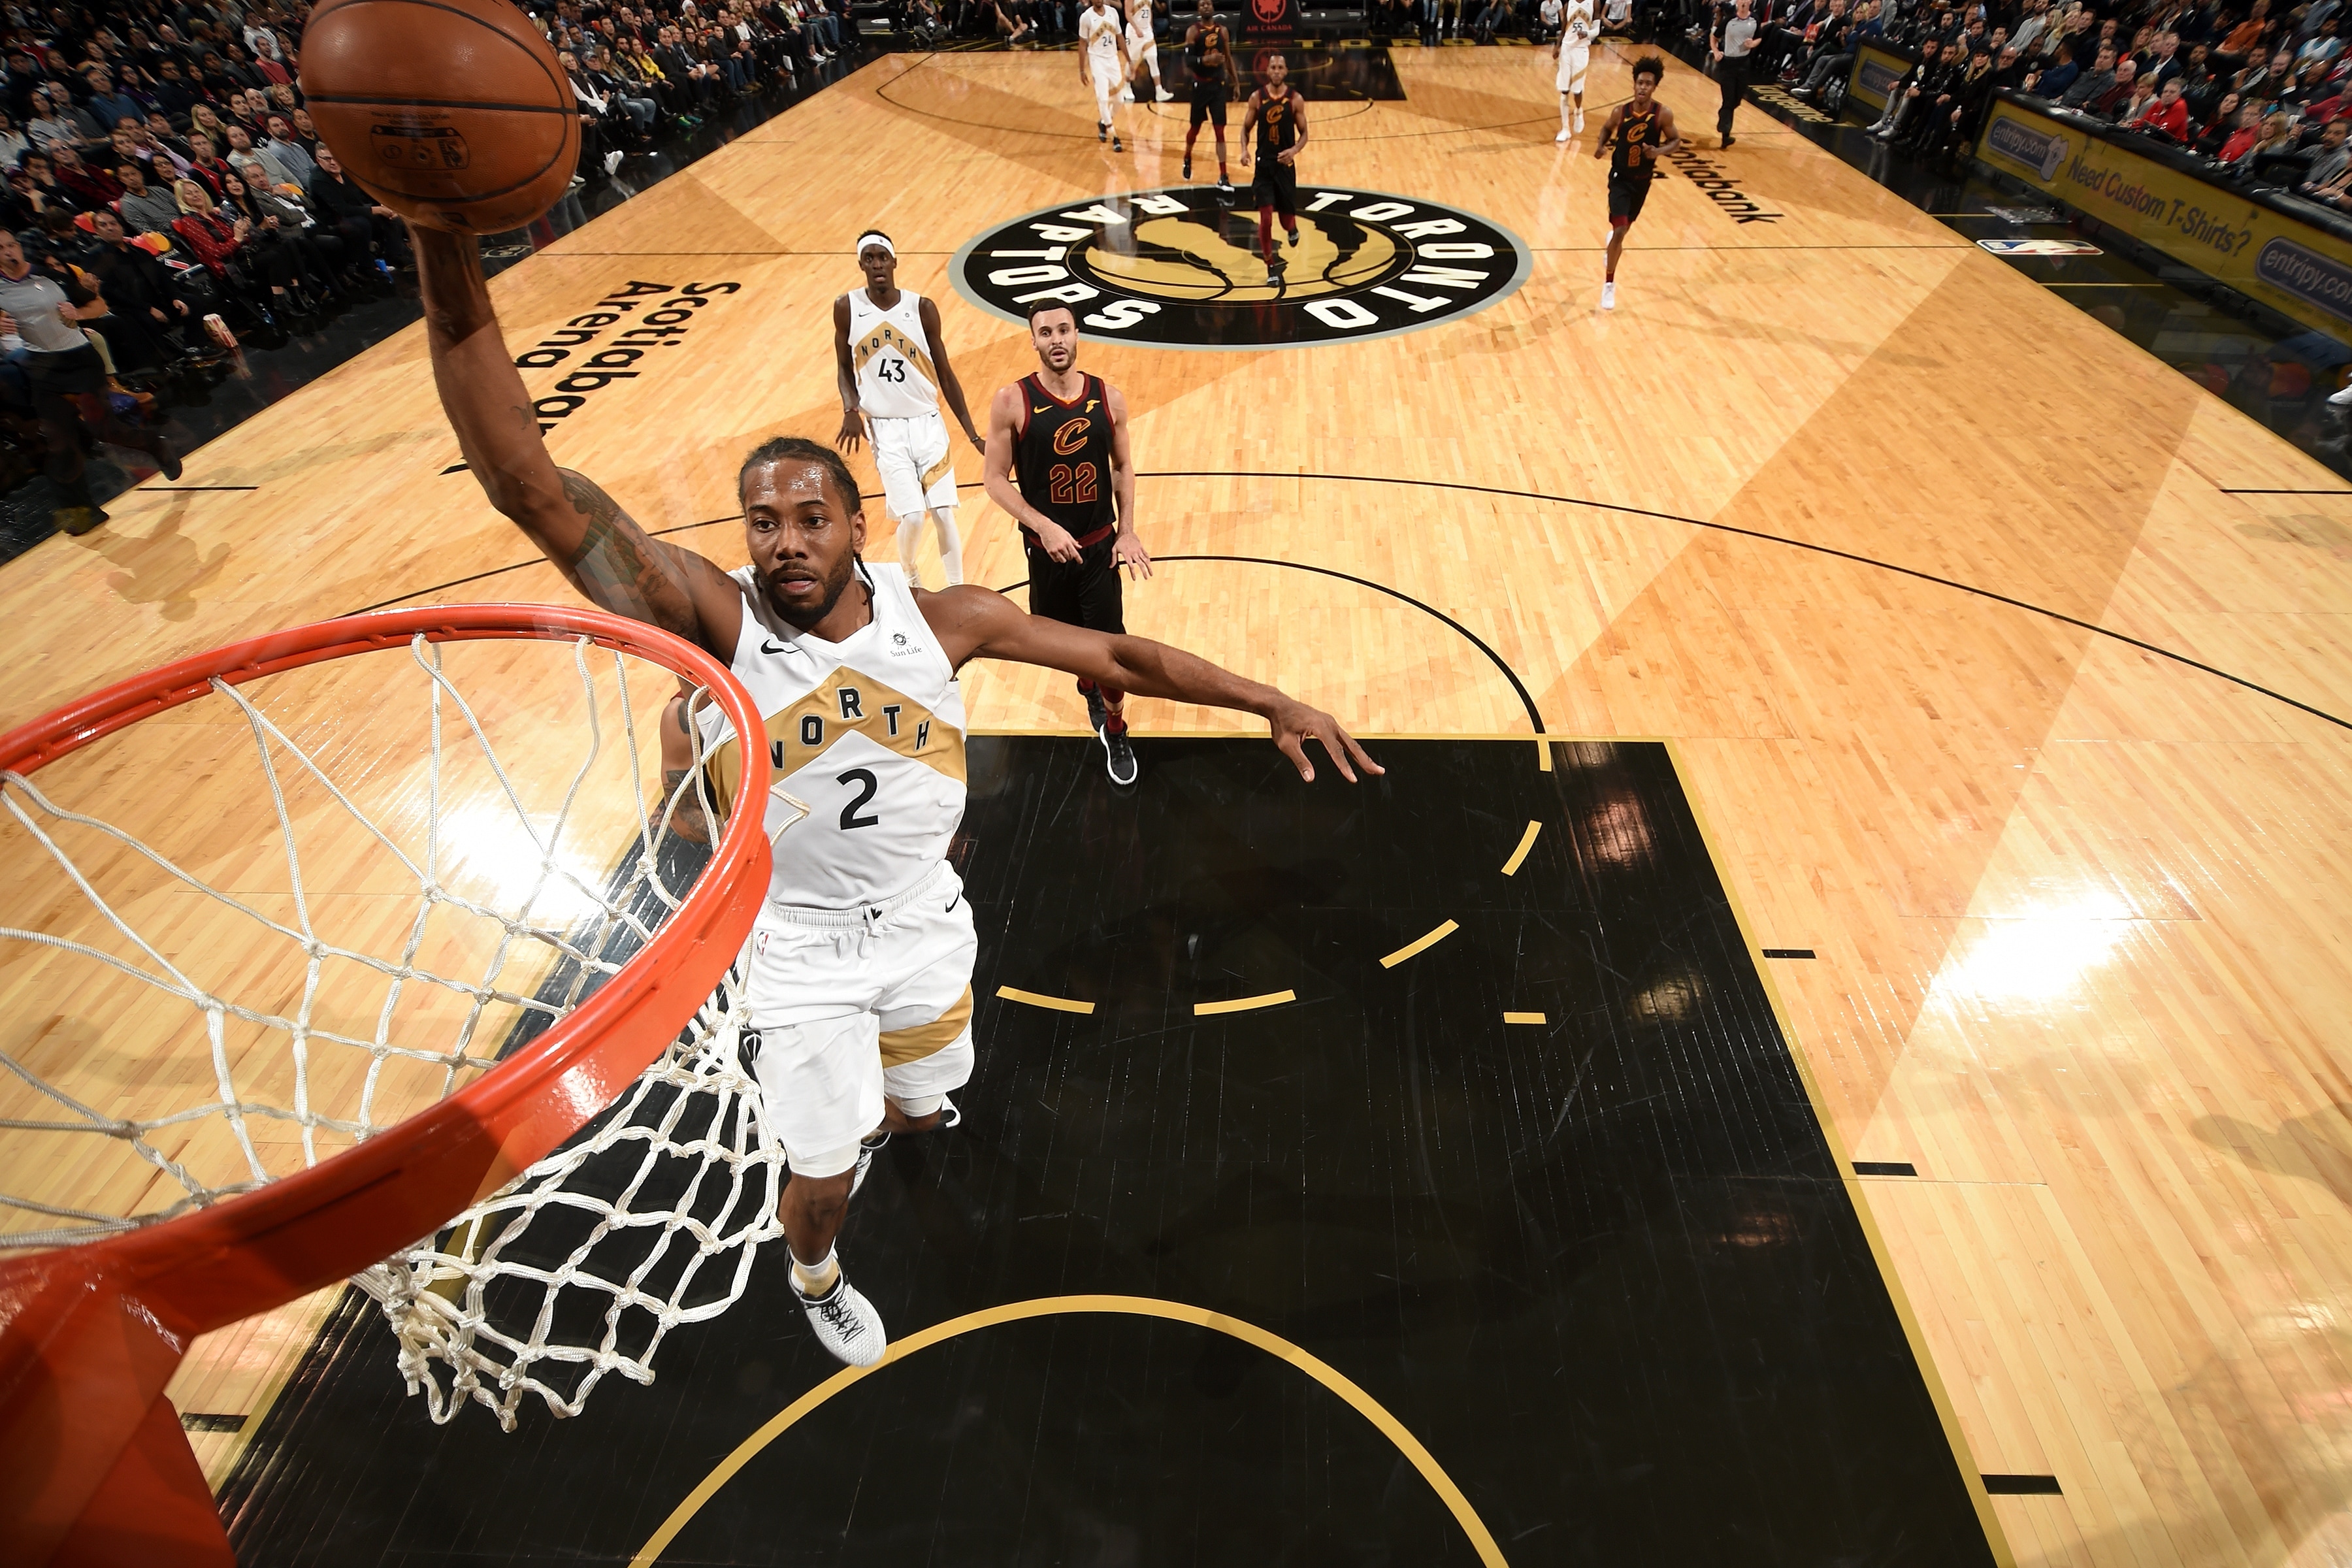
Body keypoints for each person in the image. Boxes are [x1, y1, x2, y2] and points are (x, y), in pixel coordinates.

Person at [417, 225, 1376, 1369]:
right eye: (762, 523)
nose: (785, 544)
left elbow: (1117, 656)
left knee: (926, 1096)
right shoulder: (715, 620)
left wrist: (1269, 699)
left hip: (926, 919)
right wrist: (440, 238)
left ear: (855, 525)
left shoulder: (943, 619)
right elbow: (526, 484)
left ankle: (910, 1112)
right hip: (802, 948)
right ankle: (816, 1274)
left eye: (809, 518)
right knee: (825, 1176)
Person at [983, 301, 1162, 785]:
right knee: (1063, 643)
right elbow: (994, 479)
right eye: (1046, 333)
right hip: (1046, 553)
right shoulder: (1011, 400)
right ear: (1033, 341)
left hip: (1099, 549)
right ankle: (1087, 682)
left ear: (1077, 334)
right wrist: (1041, 524)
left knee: (1112, 653)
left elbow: (1123, 467)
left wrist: (1128, 529)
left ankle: (1116, 729)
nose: (1056, 340)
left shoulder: (1110, 398)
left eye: (1064, 330)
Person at [0, 228, 180, 534]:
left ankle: (154, 444)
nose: (8, 252)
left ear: (19, 246)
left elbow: (99, 305)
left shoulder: (50, 276)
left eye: (11, 245)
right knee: (59, 442)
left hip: (79, 360)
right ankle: (81, 512)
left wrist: (78, 313)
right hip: (43, 368)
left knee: (104, 429)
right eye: (1, 249)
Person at [832, 230, 983, 589]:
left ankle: (957, 589)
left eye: (882, 257)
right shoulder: (847, 308)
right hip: (886, 429)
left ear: (894, 262)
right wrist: (851, 408)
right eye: (869, 258)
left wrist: (973, 434)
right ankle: (909, 572)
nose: (877, 264)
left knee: (943, 513)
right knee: (913, 517)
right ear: (861, 265)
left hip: (928, 423)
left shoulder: (922, 308)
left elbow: (946, 374)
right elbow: (843, 366)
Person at [1592, 53, 1680, 310]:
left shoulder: (1662, 114)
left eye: (1648, 84)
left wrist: (1658, 152)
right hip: (1620, 178)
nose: (1643, 87)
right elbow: (1606, 128)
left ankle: (1612, 245)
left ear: (1655, 87)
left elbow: (1676, 141)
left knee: (1624, 230)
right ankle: (1609, 284)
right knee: (1620, 231)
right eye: (1640, 83)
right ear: (1634, 84)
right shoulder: (1620, 112)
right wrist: (1600, 145)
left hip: (1643, 181)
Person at [1239, 52, 1307, 272]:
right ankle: (1270, 264)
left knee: (1286, 221)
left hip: (1285, 166)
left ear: (1286, 71)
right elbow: (1245, 129)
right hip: (1264, 166)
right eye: (1273, 67)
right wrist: (1244, 150)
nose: (1276, 71)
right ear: (1267, 71)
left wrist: (1294, 150)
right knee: (1266, 217)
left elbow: (1304, 134)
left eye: (1280, 67)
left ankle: (1292, 227)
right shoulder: (1256, 98)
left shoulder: (1295, 99)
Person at [1180, 0, 1237, 191]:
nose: (1206, 7)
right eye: (1202, 4)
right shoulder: (1193, 31)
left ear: (1213, 7)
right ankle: (1188, 156)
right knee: (1195, 129)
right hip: (1200, 86)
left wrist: (1236, 82)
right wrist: (1207, 59)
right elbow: (1188, 60)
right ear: (1198, 9)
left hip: (1218, 86)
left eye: (1208, 4)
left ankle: (1223, 175)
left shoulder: (1223, 31)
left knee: (1220, 131)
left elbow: (1228, 58)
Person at [1079, 0, 1128, 150]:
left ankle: (1104, 122)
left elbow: (1120, 37)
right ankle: (1114, 136)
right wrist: (1082, 70)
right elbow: (1082, 44)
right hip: (1097, 60)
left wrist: (1129, 59)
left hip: (1113, 60)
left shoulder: (1113, 13)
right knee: (1103, 99)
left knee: (1119, 100)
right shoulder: (1086, 17)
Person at [1710, 0, 1759, 146]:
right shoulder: (1729, 20)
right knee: (1729, 99)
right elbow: (1714, 37)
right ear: (1737, 2)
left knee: (1736, 100)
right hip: (1728, 64)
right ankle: (1725, 133)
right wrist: (1716, 51)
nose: (1743, 2)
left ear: (1750, 2)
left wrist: (1753, 44)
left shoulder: (1755, 19)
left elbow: (1759, 37)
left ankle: (1723, 116)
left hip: (1744, 63)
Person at [1555, 0, 1595, 138]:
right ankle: (1565, 128)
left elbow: (1597, 30)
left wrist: (1587, 34)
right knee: (1564, 90)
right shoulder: (1569, 4)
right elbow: (1563, 30)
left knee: (1577, 90)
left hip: (1581, 50)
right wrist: (1557, 46)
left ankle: (1578, 111)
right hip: (1566, 49)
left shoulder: (1594, 3)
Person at [1126, 0, 1172, 100]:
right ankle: (1127, 86)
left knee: (1152, 58)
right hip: (1134, 32)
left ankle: (1159, 91)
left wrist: (1150, 28)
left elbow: (1149, 10)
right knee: (1132, 60)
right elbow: (1128, 14)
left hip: (1147, 31)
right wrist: (1137, 29)